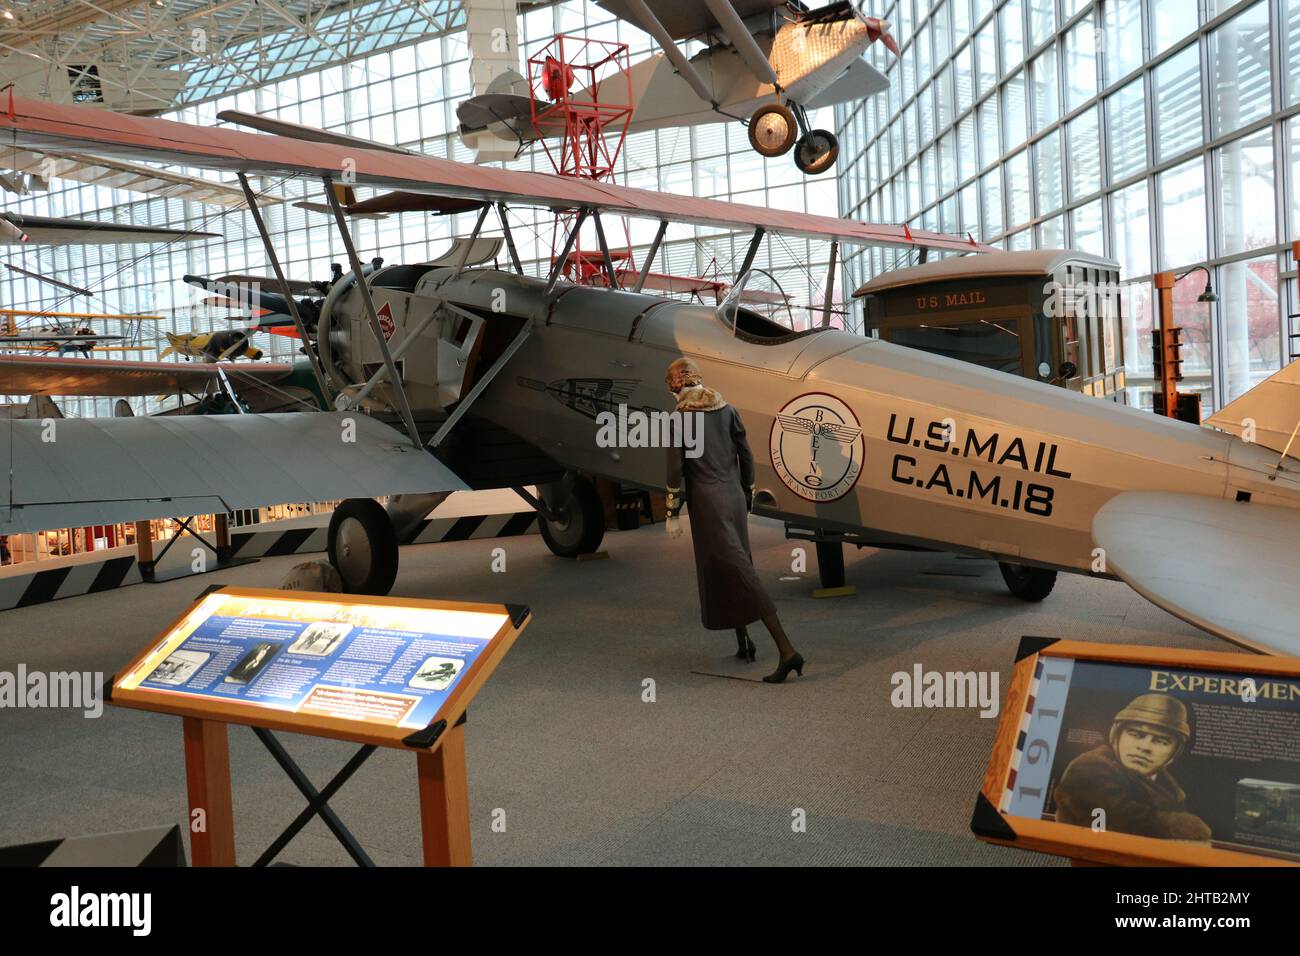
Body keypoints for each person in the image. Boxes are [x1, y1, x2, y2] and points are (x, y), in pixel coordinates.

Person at [663, 357, 804, 683]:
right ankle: (745, 642)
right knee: (735, 564)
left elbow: (674, 470)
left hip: (707, 503)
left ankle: (787, 650)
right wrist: (748, 492)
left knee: (739, 570)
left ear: (675, 385)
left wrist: (671, 512)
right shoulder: (728, 410)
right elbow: (747, 455)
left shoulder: (679, 420)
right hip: (733, 498)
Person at [1053, 693, 1211, 842]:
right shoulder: (1090, 768)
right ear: (1117, 736)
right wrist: (1189, 825)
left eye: (1161, 741)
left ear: (1174, 752)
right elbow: (1125, 817)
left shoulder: (1166, 785)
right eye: (1136, 734)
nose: (1144, 747)